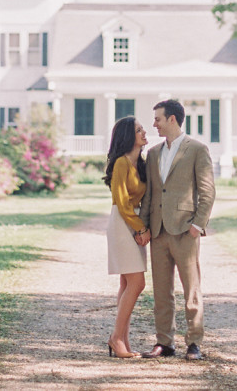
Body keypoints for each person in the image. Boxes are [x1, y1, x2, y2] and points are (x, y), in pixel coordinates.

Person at [140, 99, 216, 361]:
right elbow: (150, 194)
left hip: (185, 231)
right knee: (161, 292)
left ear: (172, 119)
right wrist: (145, 227)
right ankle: (165, 343)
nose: (154, 125)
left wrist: (197, 226)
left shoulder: (197, 149)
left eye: (158, 119)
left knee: (191, 290)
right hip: (158, 232)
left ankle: (194, 343)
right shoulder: (152, 153)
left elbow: (207, 191)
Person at [103, 115, 151, 359]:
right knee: (137, 282)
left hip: (132, 222)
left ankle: (122, 340)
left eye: (143, 129)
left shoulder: (140, 163)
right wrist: (141, 229)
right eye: (139, 130)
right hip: (123, 224)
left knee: (126, 283)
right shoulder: (121, 163)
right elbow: (122, 203)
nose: (145, 132)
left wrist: (141, 226)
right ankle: (116, 338)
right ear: (127, 136)